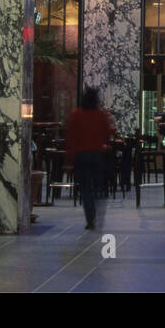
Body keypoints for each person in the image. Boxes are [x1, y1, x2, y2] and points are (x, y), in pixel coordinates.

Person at [63, 87, 116, 231]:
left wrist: (70, 157)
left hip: (81, 156)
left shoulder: (76, 114)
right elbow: (108, 133)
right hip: (97, 155)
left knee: (85, 189)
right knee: (98, 187)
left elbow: (70, 137)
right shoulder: (101, 115)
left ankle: (90, 219)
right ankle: (98, 215)